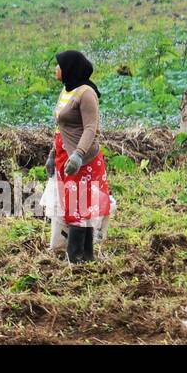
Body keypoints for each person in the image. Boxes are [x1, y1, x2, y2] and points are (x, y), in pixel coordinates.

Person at [44, 51, 112, 263]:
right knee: (74, 206)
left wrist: (78, 155)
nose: (56, 70)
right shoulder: (67, 90)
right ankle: (85, 256)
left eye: (59, 66)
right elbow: (61, 128)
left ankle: (76, 257)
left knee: (80, 207)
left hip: (82, 160)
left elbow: (91, 129)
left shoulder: (86, 93)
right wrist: (52, 154)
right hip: (65, 157)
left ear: (70, 68)